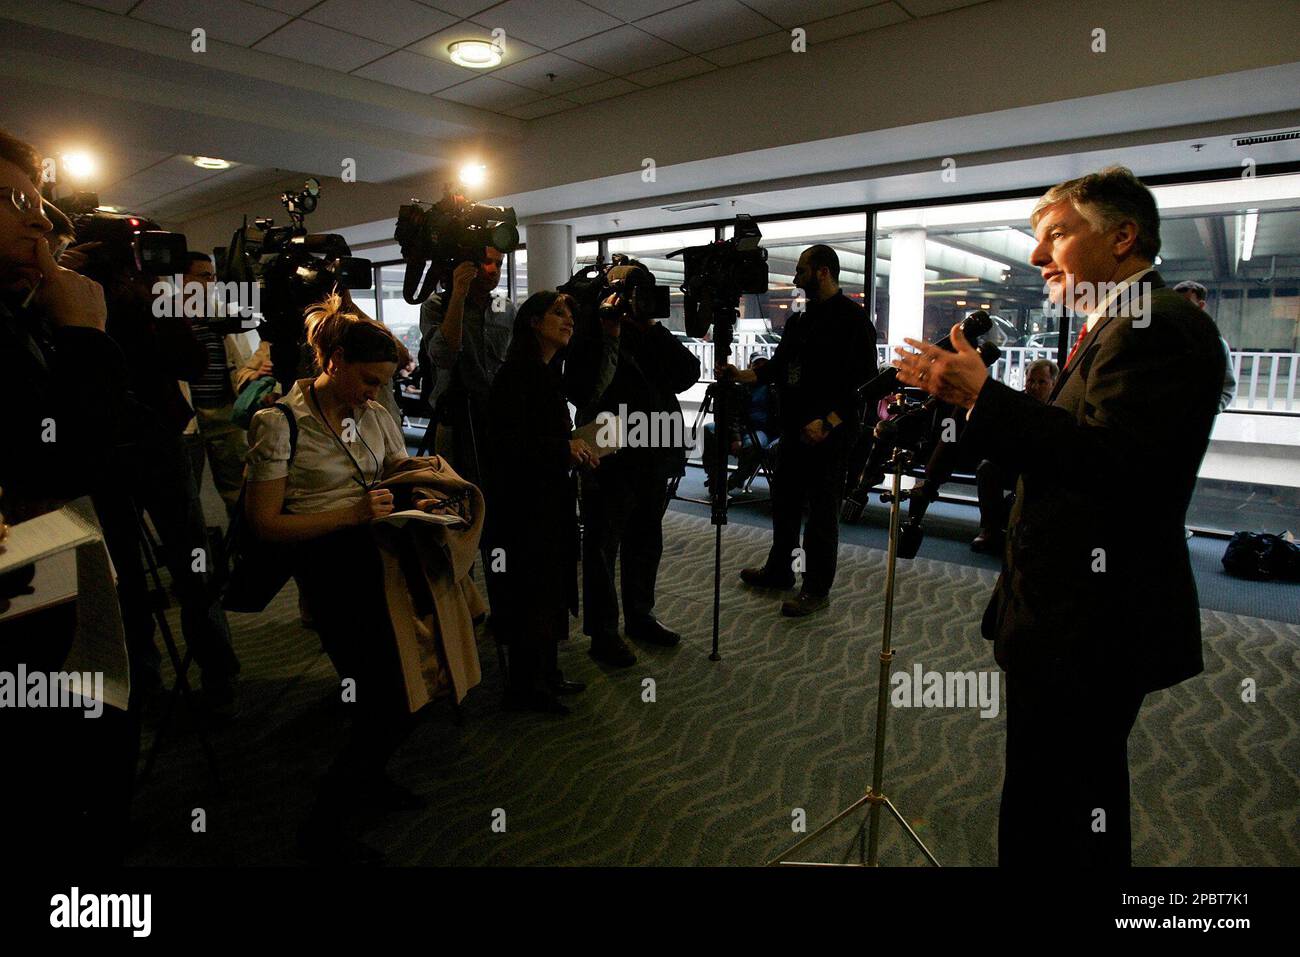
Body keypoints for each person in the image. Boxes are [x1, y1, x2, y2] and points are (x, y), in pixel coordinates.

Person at [893, 166, 1224, 866]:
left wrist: (988, 398)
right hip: (1073, 614)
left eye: (1056, 237)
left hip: (1093, 622)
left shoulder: (1155, 326)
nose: (1038, 257)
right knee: (1066, 800)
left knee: (1060, 811)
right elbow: (1073, 446)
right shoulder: (1119, 323)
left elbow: (1112, 466)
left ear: (1124, 236)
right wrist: (977, 403)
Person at [243, 293, 415, 865]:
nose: (374, 393)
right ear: (334, 360)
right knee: (386, 699)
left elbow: (394, 472)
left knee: (394, 689)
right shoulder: (280, 421)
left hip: (376, 554)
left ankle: (367, 780)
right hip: (324, 561)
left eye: (382, 383)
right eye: (368, 380)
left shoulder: (374, 413)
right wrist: (353, 513)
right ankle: (322, 831)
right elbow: (266, 525)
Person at [724, 245, 876, 617]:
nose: (795, 278)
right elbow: (778, 367)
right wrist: (743, 375)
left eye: (801, 270)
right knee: (786, 507)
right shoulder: (800, 321)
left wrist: (829, 422)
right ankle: (780, 572)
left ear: (822, 272)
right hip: (794, 430)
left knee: (822, 516)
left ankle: (815, 588)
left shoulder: (854, 322)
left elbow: (867, 386)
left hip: (833, 434)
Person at [566, 262, 700, 666]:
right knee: (603, 544)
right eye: (631, 289)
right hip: (608, 449)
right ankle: (603, 633)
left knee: (646, 539)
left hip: (652, 447)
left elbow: (687, 373)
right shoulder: (591, 326)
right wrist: (610, 331)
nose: (638, 298)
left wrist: (649, 328)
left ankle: (641, 615)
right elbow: (580, 388)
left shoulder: (650, 332)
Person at [485, 291, 598, 714]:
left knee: (550, 586)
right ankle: (525, 686)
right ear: (533, 322)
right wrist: (562, 449)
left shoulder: (546, 371)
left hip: (548, 498)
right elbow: (507, 444)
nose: (568, 319)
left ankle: (545, 673)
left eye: (570, 312)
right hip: (523, 506)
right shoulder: (517, 373)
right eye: (557, 313)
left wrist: (572, 446)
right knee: (531, 590)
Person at [419, 246, 513, 488]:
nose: (494, 270)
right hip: (454, 418)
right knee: (455, 492)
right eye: (486, 262)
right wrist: (458, 294)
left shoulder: (504, 307)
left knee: (498, 489)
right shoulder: (437, 305)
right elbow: (443, 356)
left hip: (496, 415)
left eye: (499, 263)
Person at [181, 251, 256, 520]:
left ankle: (243, 547)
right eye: (203, 276)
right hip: (188, 416)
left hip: (225, 411)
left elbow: (245, 357)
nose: (211, 282)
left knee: (236, 487)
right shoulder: (170, 316)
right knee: (185, 492)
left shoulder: (224, 314)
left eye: (213, 276)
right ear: (183, 278)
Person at [970, 358, 1057, 553]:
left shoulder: (1058, 408)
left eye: (1041, 382)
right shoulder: (1016, 403)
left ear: (1053, 383)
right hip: (1014, 461)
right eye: (1030, 381)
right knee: (986, 468)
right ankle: (990, 529)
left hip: (1044, 466)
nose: (1034, 387)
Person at [702, 355, 779, 495]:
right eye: (757, 364)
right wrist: (736, 437)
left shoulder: (773, 389)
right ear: (750, 366)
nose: (760, 367)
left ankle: (735, 480)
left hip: (760, 430)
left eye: (764, 365)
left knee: (754, 445)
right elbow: (732, 415)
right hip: (738, 427)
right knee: (709, 429)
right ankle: (714, 477)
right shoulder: (740, 387)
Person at [1174, 280, 1236, 412]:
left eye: (1186, 303)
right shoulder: (1163, 338)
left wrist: (1210, 409)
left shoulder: (1216, 344)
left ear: (1201, 305)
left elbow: (1227, 384)